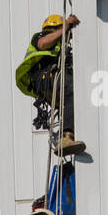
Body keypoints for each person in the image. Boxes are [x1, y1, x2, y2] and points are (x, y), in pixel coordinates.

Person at [14, 13, 85, 155]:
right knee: (71, 89)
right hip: (47, 78)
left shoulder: (63, 47)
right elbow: (43, 44)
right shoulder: (40, 36)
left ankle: (68, 134)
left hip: (53, 82)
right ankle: (66, 137)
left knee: (73, 99)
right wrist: (67, 25)